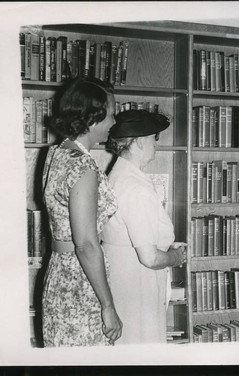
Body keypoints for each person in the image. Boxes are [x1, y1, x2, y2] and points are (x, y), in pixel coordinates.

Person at [42, 77, 122, 346]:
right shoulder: (83, 166)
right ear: (92, 119)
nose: (113, 122)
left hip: (59, 276)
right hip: (80, 283)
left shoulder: (56, 153)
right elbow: (86, 244)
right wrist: (108, 307)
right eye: (110, 115)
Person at [102, 109, 187, 344]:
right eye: (153, 139)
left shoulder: (118, 176)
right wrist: (176, 256)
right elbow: (149, 258)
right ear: (139, 143)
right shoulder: (135, 187)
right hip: (136, 283)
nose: (156, 145)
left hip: (122, 277)